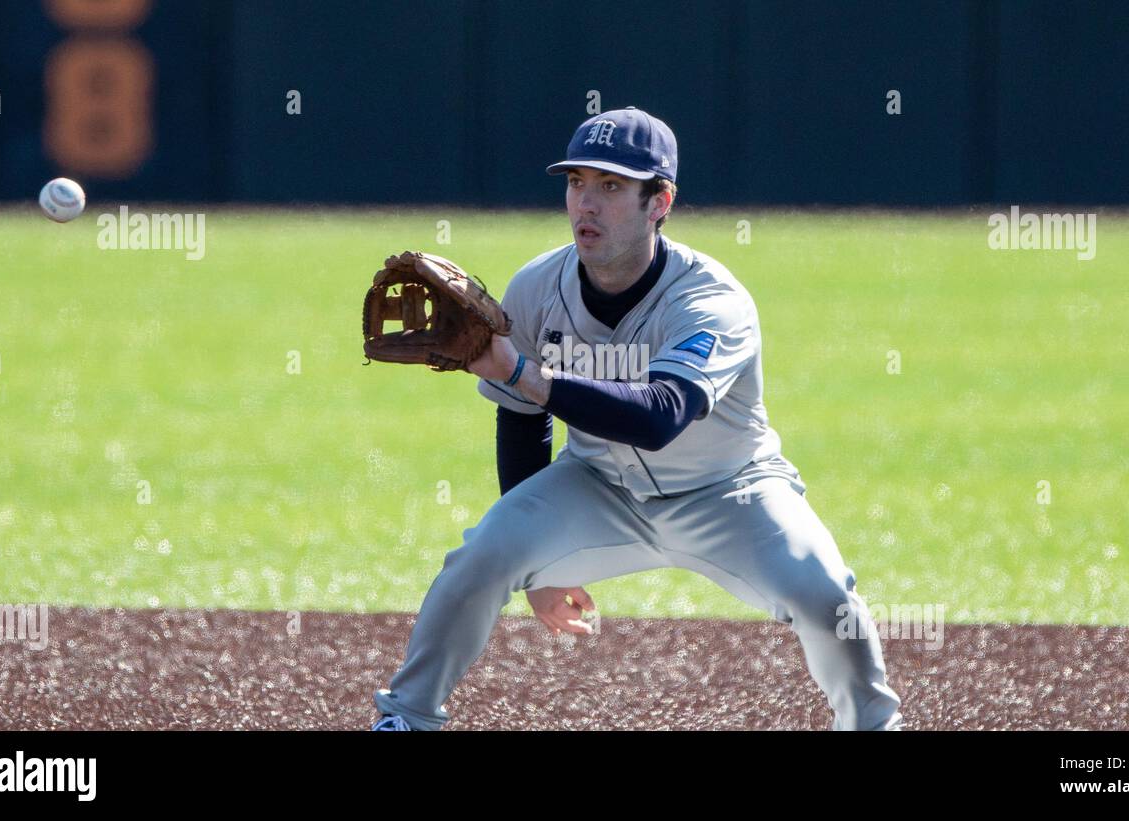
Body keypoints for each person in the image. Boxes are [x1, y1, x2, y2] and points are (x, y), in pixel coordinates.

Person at [371, 107, 902, 731]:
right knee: (481, 556)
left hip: (730, 491)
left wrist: (523, 373)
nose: (585, 204)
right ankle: (407, 718)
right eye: (576, 183)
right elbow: (521, 420)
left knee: (825, 597)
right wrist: (539, 561)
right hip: (598, 487)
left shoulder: (710, 300)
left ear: (661, 202)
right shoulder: (537, 288)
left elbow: (660, 416)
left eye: (612, 187)